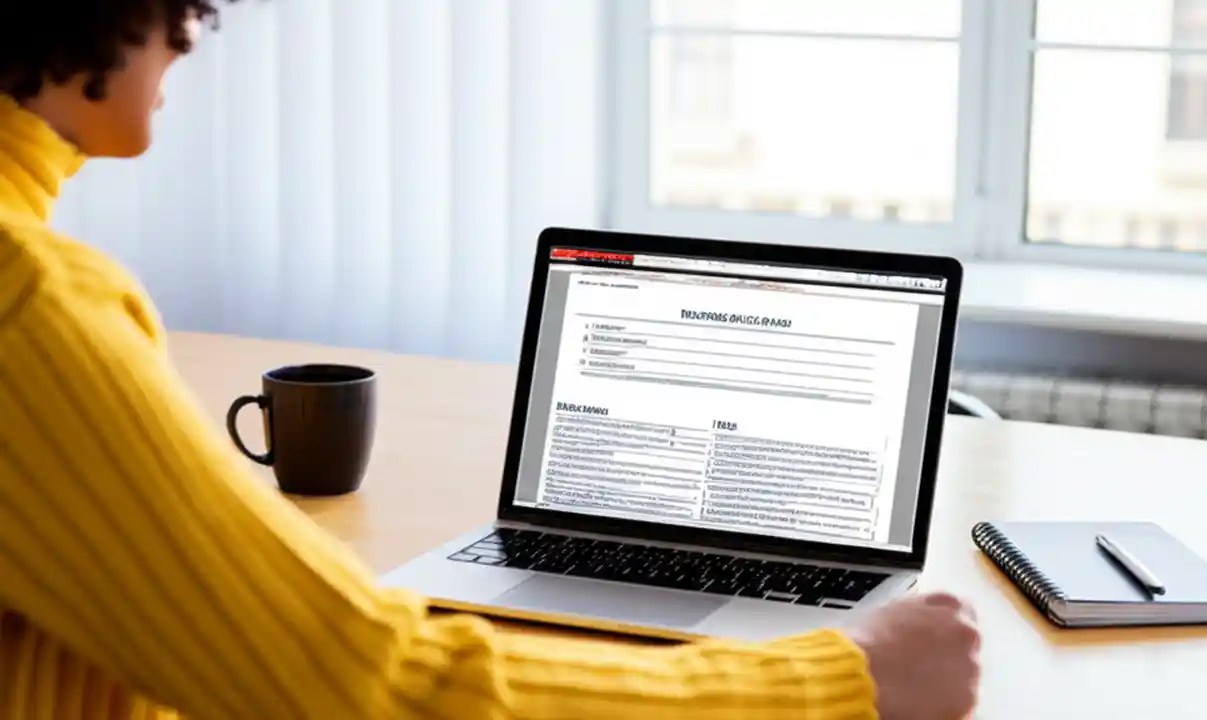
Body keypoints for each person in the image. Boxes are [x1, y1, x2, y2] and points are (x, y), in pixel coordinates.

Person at [0, 3, 980, 718]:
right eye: (174, 4)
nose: (187, 35)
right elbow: (367, 686)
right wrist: (844, 677)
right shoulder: (31, 305)